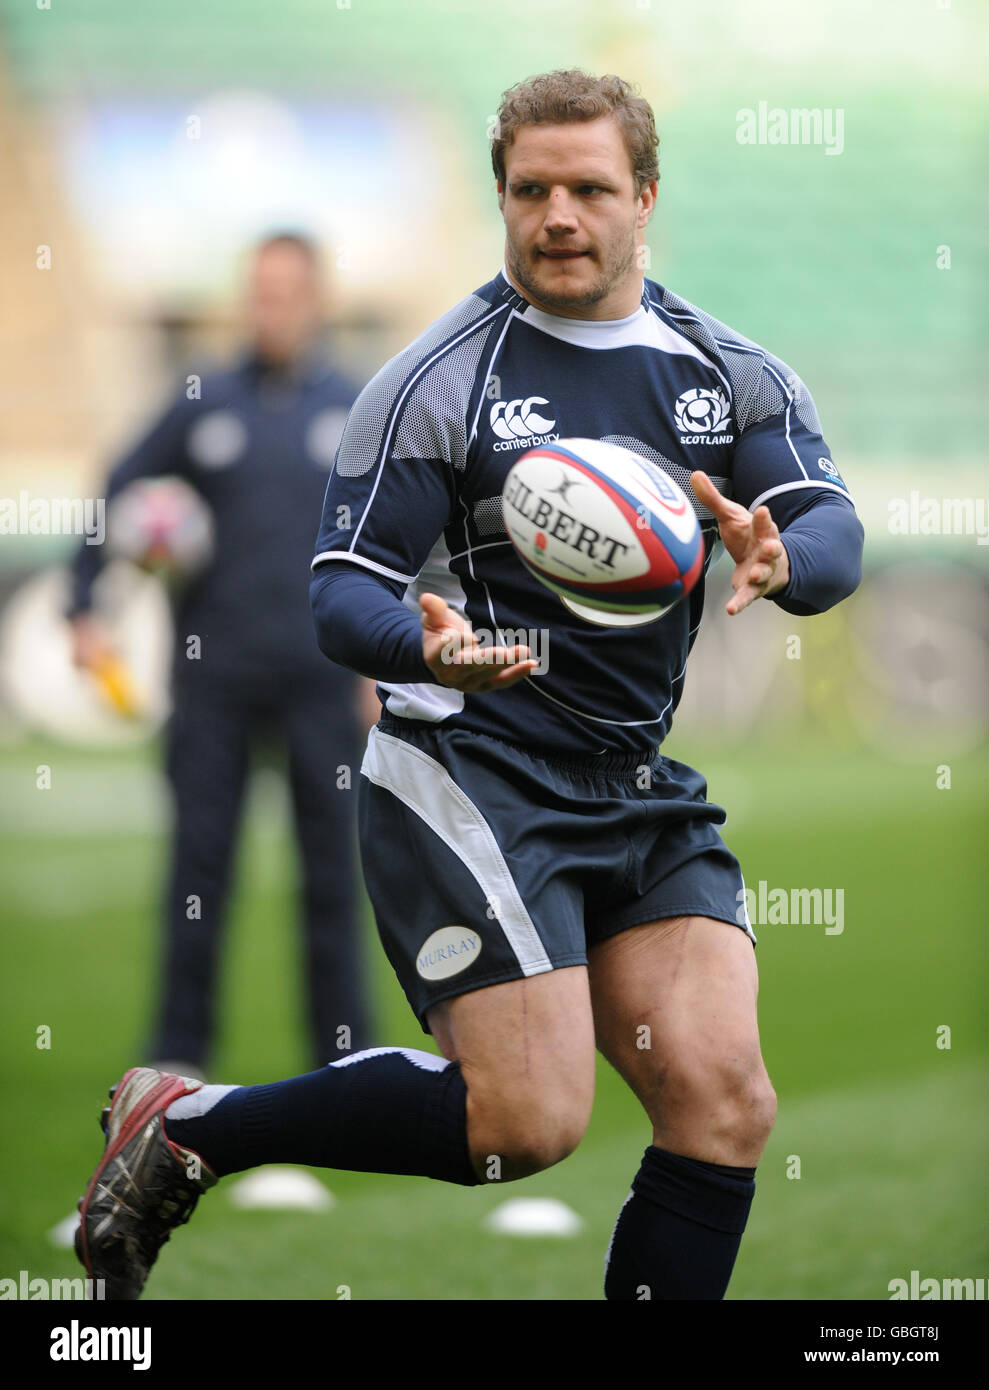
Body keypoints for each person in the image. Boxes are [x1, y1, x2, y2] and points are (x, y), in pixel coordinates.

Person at [75, 71, 864, 1301]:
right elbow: (342, 592)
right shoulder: (434, 378)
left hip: (635, 781)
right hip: (470, 767)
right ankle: (195, 1124)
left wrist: (783, 554)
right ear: (500, 196)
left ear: (643, 197)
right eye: (529, 189)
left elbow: (828, 530)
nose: (557, 213)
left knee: (723, 1101)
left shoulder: (723, 369)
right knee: (524, 1123)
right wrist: (420, 643)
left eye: (588, 189)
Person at [68, 233, 375, 1077]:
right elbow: (118, 484)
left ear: (317, 299)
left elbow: (391, 540)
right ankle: (177, 1058)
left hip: (323, 679)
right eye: (258, 292)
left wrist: (383, 662)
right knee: (198, 873)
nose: (268, 307)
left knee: (331, 879)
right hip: (213, 682)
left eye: (285, 292)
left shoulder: (357, 405)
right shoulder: (201, 397)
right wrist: (82, 602)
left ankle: (344, 1060)